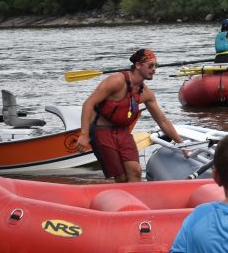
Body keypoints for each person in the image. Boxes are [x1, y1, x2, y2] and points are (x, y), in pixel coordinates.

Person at [75, 48, 186, 182]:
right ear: (138, 65)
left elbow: (162, 121)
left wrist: (181, 144)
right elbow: (88, 103)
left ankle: (136, 200)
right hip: (101, 131)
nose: (154, 69)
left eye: (156, 65)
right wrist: (84, 134)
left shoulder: (146, 93)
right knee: (121, 177)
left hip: (123, 132)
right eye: (150, 65)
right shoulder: (116, 81)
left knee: (136, 170)